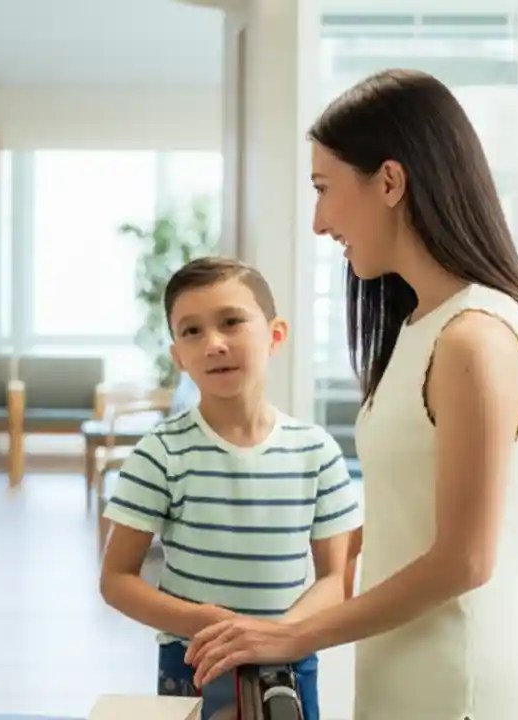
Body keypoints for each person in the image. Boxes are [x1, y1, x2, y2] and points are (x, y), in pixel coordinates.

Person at [185, 69, 518, 720]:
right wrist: (373, 551)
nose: (318, 222)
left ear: (389, 182)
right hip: (416, 687)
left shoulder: (473, 338)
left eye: (323, 189)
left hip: (459, 697)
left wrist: (293, 636)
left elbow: (467, 558)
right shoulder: (435, 325)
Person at [99, 257, 363, 720]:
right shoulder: (160, 452)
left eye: (231, 322)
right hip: (194, 661)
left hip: (289, 659)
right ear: (179, 356)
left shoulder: (317, 451)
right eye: (192, 331)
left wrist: (276, 636)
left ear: (275, 335)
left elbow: (335, 581)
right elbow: (116, 580)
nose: (214, 343)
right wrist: (202, 621)